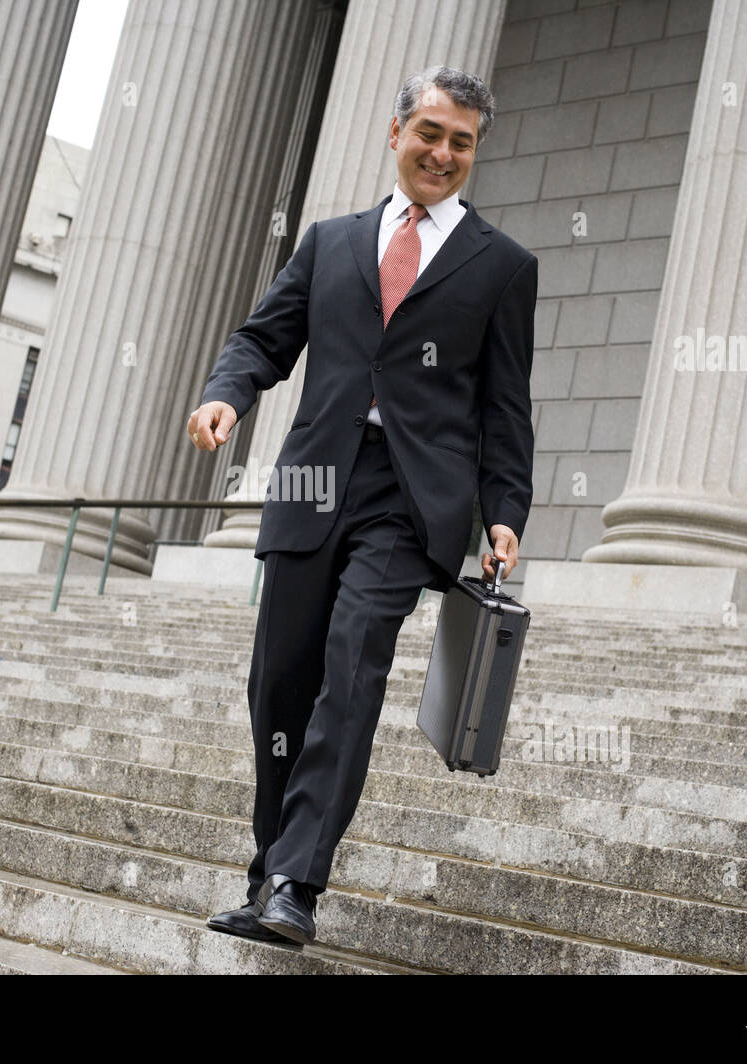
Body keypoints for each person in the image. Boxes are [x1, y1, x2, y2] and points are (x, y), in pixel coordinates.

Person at [187, 65, 537, 946]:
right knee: (279, 685)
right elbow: (264, 336)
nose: (443, 153)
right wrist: (228, 394)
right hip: (310, 484)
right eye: (430, 133)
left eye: (462, 141)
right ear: (396, 134)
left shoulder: (501, 266)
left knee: (350, 671)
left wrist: (505, 510)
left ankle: (299, 884)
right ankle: (268, 870)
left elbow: (505, 403)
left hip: (410, 500)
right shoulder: (331, 241)